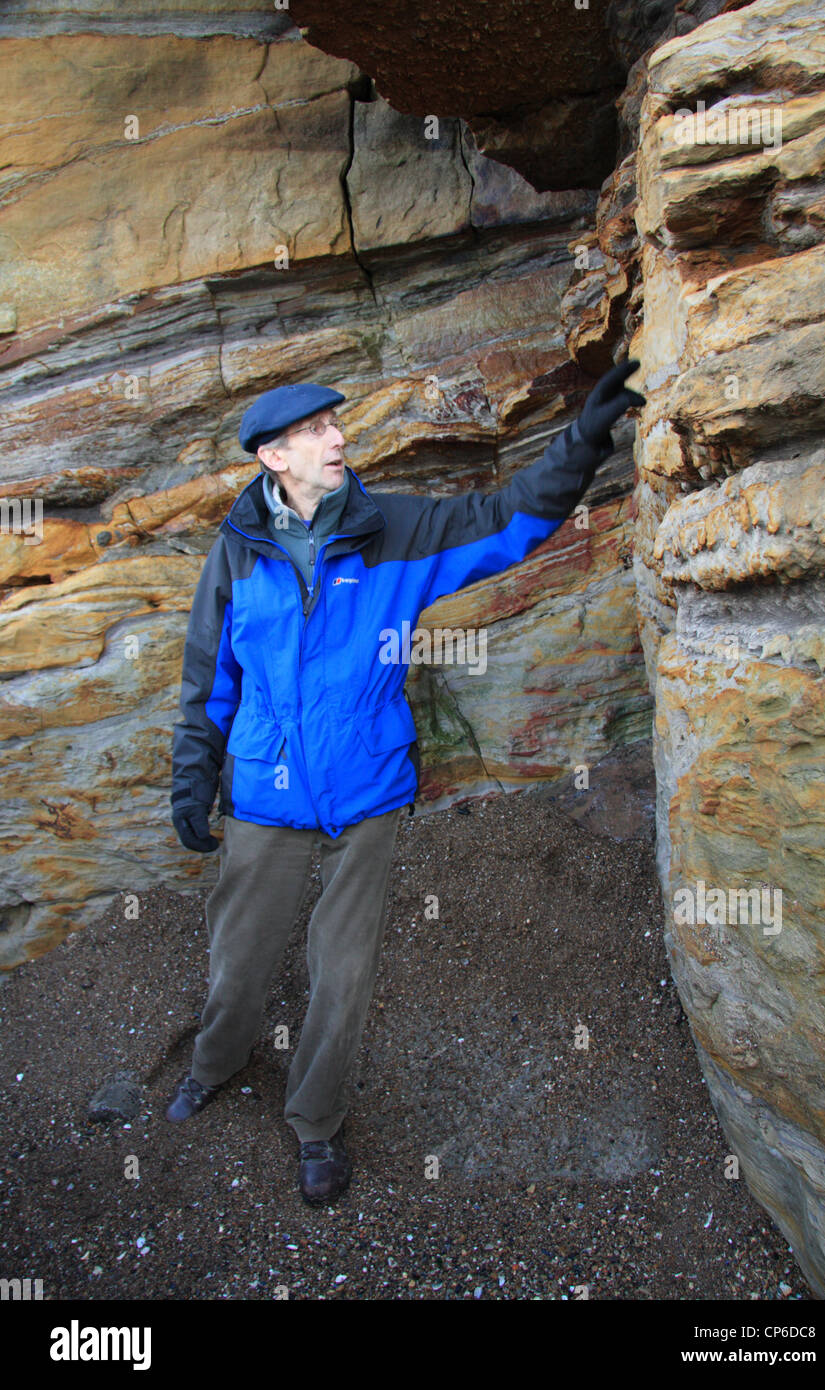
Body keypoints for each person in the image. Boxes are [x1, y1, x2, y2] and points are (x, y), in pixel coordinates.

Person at [168, 363, 645, 1204]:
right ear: (273, 455)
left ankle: (314, 1122)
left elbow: (506, 520)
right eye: (317, 431)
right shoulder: (235, 552)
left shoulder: (393, 529)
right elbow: (211, 675)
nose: (338, 437)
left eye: (334, 425)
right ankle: (215, 1063)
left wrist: (579, 439)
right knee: (239, 960)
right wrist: (192, 778)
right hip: (266, 789)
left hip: (369, 783)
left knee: (342, 971)